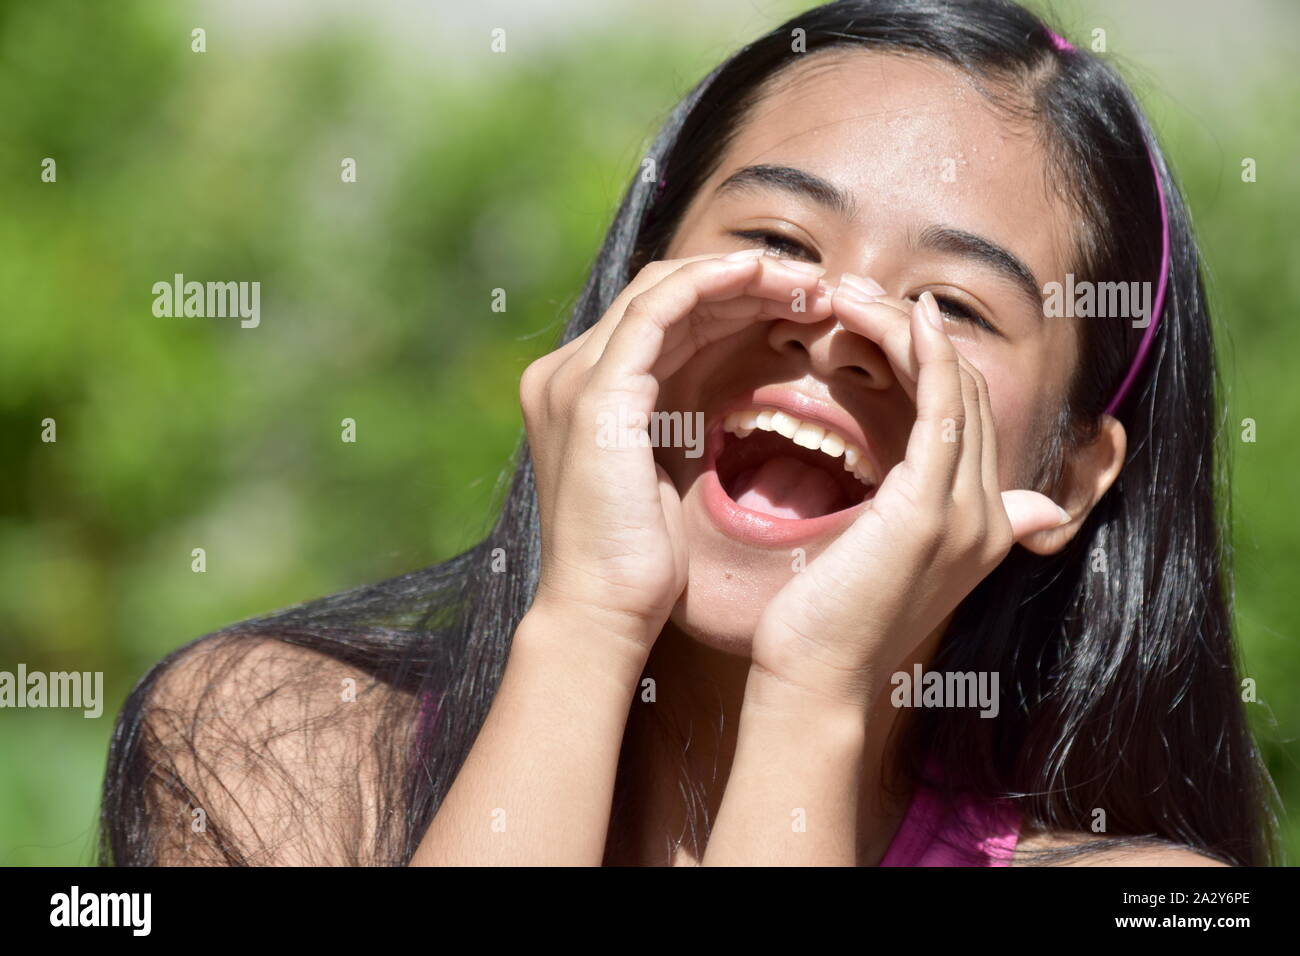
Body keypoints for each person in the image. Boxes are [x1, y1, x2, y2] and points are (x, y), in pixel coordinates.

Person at [100, 0, 1277, 866]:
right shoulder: (279, 746)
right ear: (632, 291)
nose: (838, 323)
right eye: (776, 240)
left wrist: (816, 692)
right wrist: (586, 620)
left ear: (1066, 479)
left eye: (954, 304)